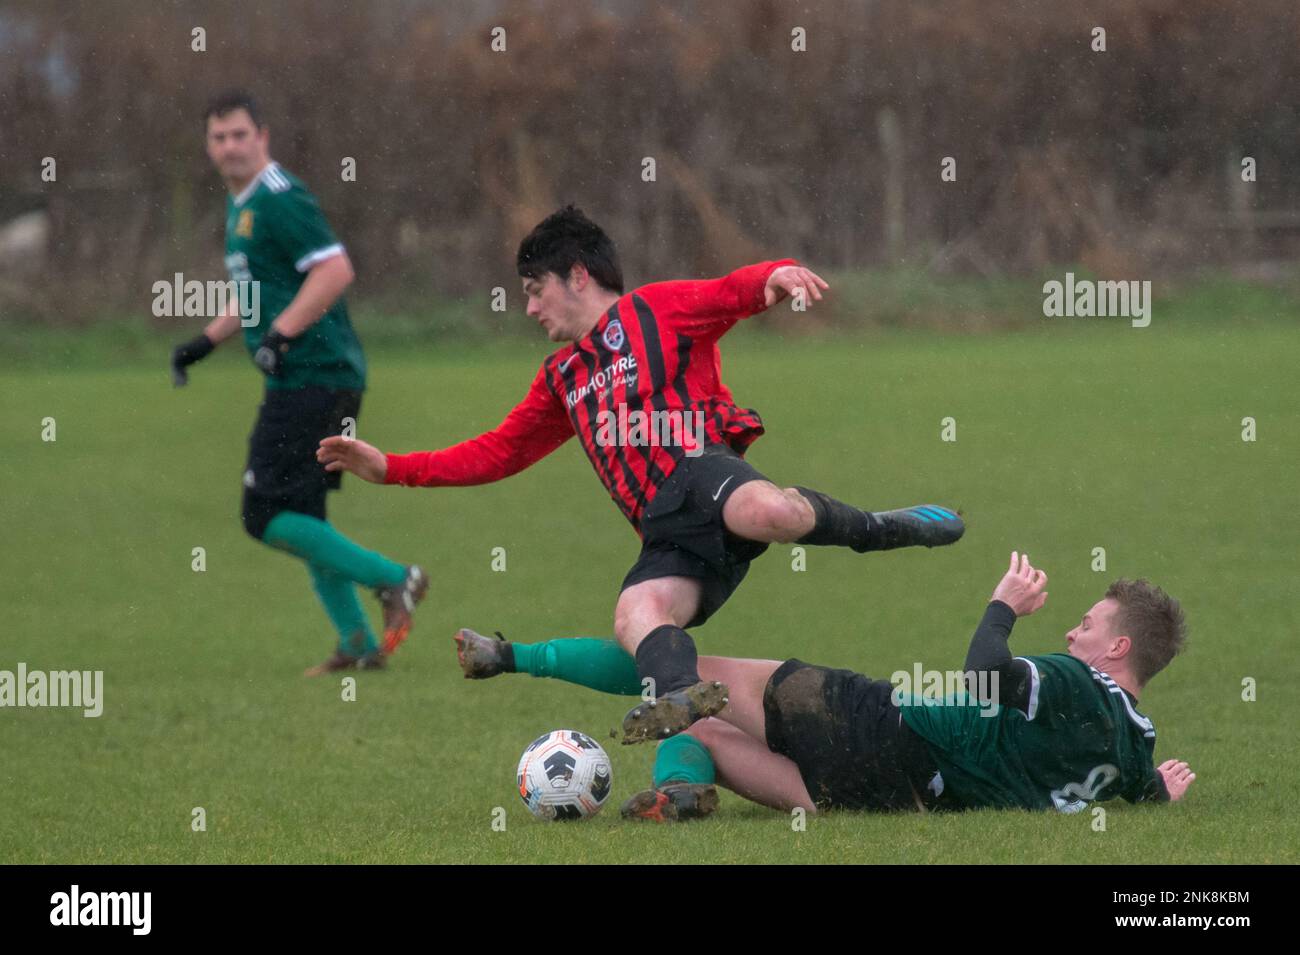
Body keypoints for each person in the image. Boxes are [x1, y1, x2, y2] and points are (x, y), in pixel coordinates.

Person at [319, 204, 963, 739]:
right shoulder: (562, 379)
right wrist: (392, 467)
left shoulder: (653, 310)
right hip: (668, 535)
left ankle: (878, 526)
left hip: (703, 472)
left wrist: (777, 275)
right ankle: (681, 696)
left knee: (766, 512)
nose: (530, 308)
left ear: (575, 276)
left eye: (533, 291)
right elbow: (497, 452)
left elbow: (727, 294)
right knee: (635, 615)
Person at [452, 552, 1194, 821]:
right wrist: (1162, 788)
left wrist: (1004, 603)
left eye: (1088, 624)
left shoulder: (1071, 680)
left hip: (875, 721)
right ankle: (680, 793)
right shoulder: (1133, 747)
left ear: (1117, 647)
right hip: (901, 797)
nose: (1072, 633)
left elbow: (984, 672)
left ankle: (513, 655)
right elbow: (1148, 788)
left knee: (671, 658)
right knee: (699, 726)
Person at [171, 90, 426, 676]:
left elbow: (335, 270)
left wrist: (280, 335)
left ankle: (396, 580)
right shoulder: (243, 203)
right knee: (304, 513)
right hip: (305, 376)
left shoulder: (281, 197)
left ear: (263, 136)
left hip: (317, 375)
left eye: (240, 134)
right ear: (208, 145)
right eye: (218, 137)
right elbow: (257, 292)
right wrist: (206, 342)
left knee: (262, 514)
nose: (230, 146)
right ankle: (359, 643)